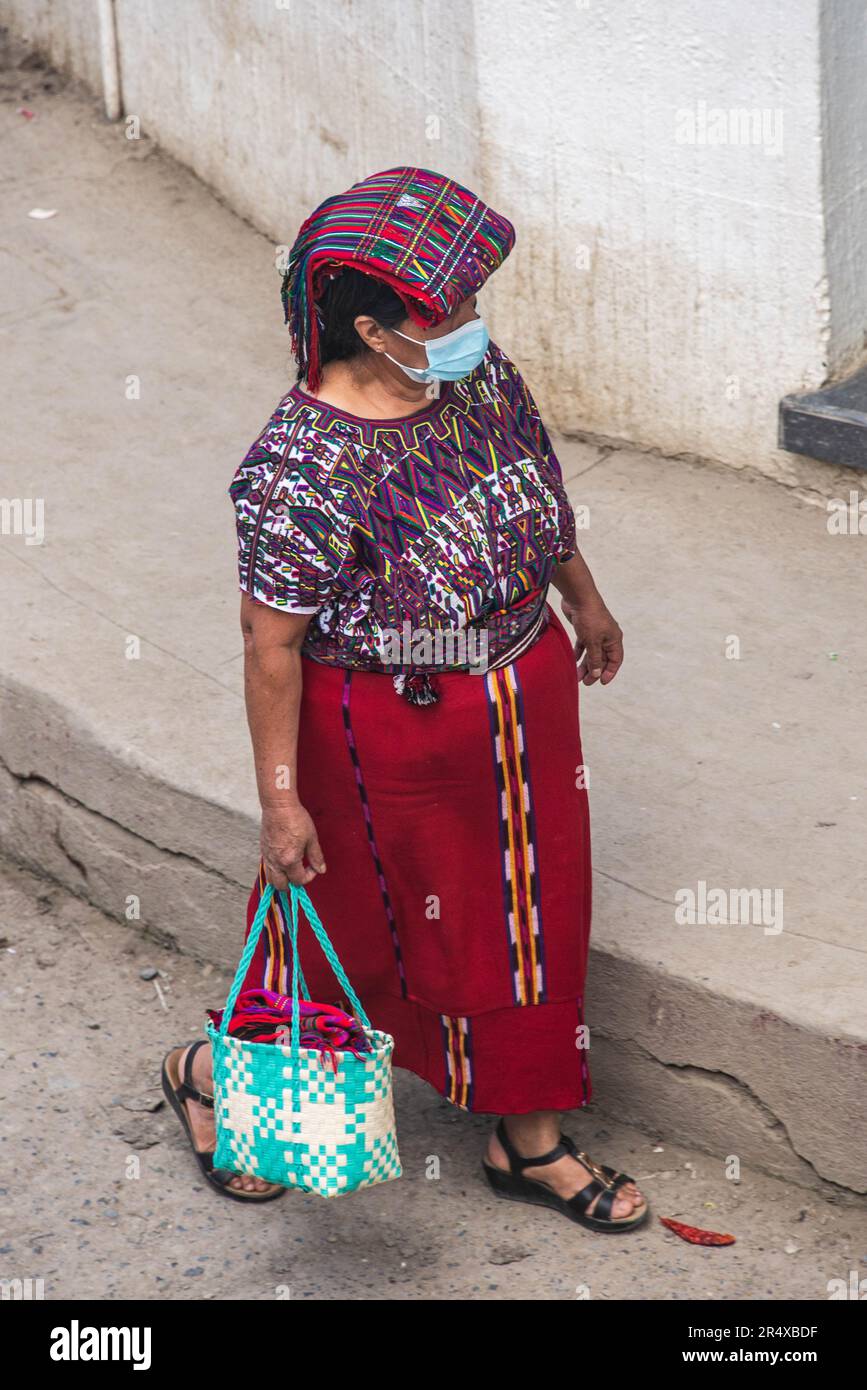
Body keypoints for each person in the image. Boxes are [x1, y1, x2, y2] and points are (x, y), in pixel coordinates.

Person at [162, 166, 647, 1229]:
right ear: (375, 332)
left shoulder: (475, 378)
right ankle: (213, 1072)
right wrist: (282, 803)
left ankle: (527, 1139)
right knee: (351, 922)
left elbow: (536, 493)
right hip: (385, 737)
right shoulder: (298, 469)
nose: (473, 325)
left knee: (530, 914)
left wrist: (585, 605)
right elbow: (270, 646)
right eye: (450, 311)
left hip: (524, 700)